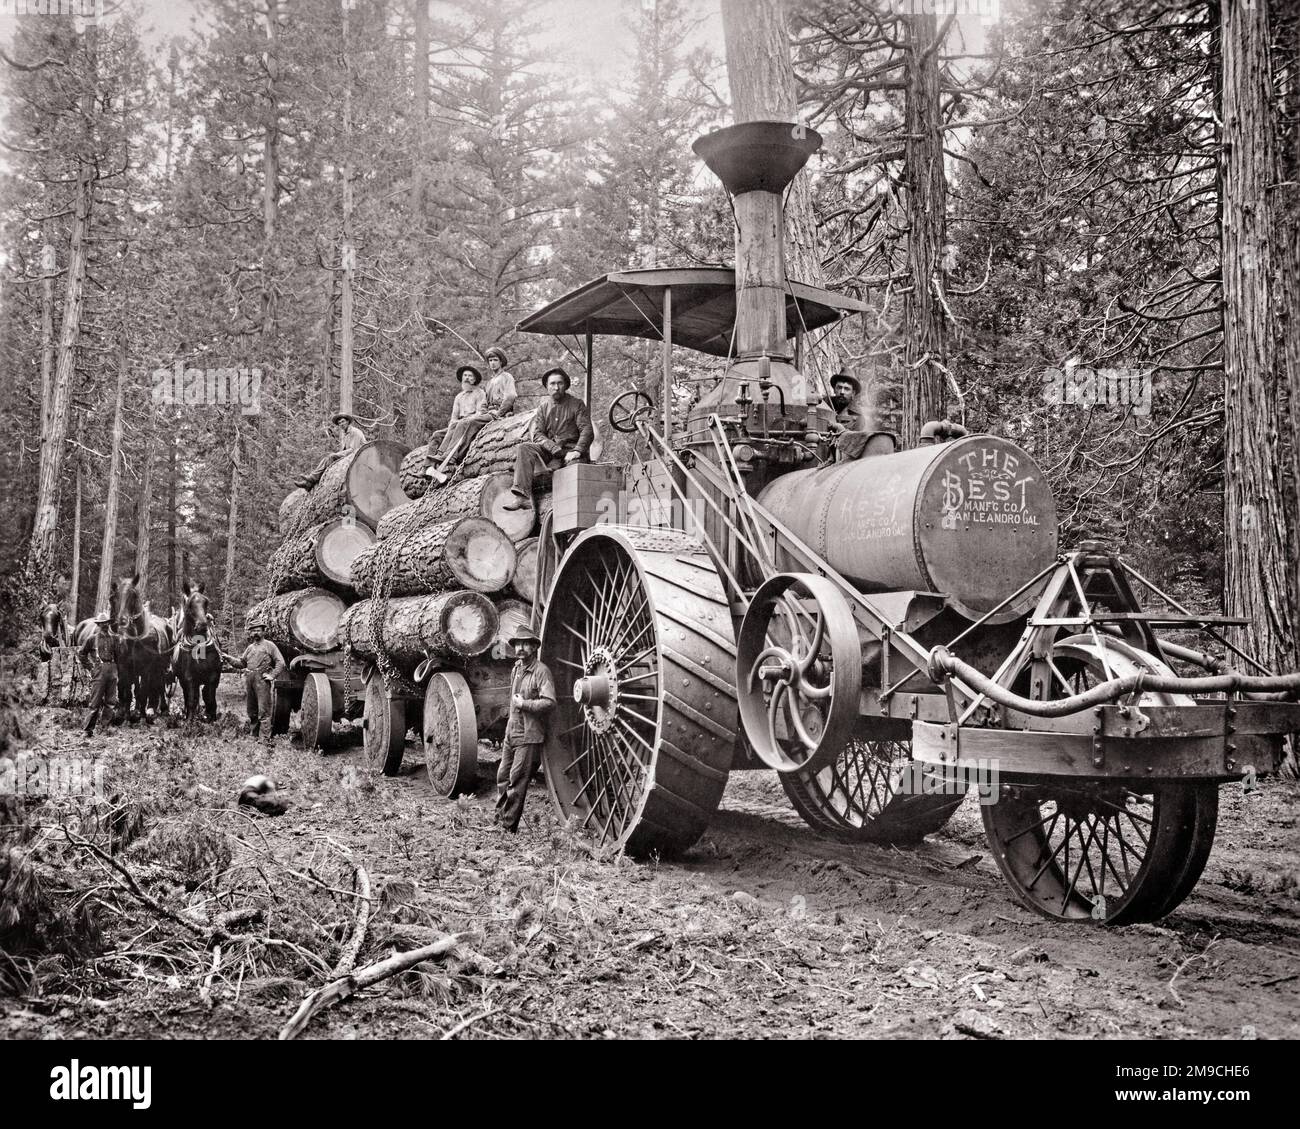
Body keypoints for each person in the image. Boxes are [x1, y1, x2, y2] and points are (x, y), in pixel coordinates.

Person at [501, 367, 593, 509]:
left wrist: (578, 451)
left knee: (573, 471)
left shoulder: (577, 404)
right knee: (524, 448)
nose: (556, 387)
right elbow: (537, 434)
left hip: (571, 451)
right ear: (547, 387)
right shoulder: (543, 407)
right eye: (552, 384)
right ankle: (522, 497)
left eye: (560, 383)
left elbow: (587, 430)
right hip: (551, 450)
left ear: (565, 385)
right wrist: (552, 447)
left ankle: (570, 509)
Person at [495, 626, 555, 832]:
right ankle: (498, 821)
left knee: (517, 782)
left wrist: (525, 704)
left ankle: (507, 827)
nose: (520, 648)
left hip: (529, 735)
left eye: (525, 644)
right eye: (518, 644)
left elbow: (549, 702)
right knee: (502, 777)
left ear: (534, 647)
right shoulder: (516, 669)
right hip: (511, 733)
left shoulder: (541, 671)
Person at [424, 364, 489, 485]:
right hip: (457, 424)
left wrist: (462, 421)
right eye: (465, 375)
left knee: (458, 425)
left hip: (470, 424)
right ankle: (428, 467)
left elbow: (480, 413)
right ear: (461, 378)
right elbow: (453, 417)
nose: (467, 378)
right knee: (436, 434)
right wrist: (452, 424)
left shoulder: (480, 393)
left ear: (475, 380)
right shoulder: (459, 397)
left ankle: (445, 456)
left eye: (470, 376)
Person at [234, 618, 286, 741]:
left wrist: (272, 675)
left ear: (263, 632)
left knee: (264, 711)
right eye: (253, 631)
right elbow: (242, 663)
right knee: (252, 710)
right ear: (250, 633)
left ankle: (264, 740)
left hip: (262, 681)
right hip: (250, 680)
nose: (255, 633)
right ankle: (254, 735)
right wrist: (228, 659)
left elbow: (281, 662)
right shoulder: (250, 648)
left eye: (258, 630)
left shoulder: (269, 646)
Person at [295, 412, 368, 490]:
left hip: (360, 456)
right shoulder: (345, 434)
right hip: (349, 457)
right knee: (327, 460)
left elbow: (353, 449)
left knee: (331, 456)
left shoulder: (355, 432)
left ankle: (311, 479)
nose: (341, 424)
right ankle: (309, 483)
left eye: (343, 421)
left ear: (347, 422)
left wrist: (337, 454)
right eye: (339, 423)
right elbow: (345, 450)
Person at [79, 611, 119, 737]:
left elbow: (119, 655)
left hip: (112, 669)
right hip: (99, 670)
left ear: (109, 623)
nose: (104, 625)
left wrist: (117, 669)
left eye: (106, 623)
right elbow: (81, 654)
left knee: (110, 701)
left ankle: (104, 727)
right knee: (95, 702)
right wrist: (91, 667)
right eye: (102, 623)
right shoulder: (91, 639)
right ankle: (88, 730)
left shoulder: (114, 638)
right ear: (98, 625)